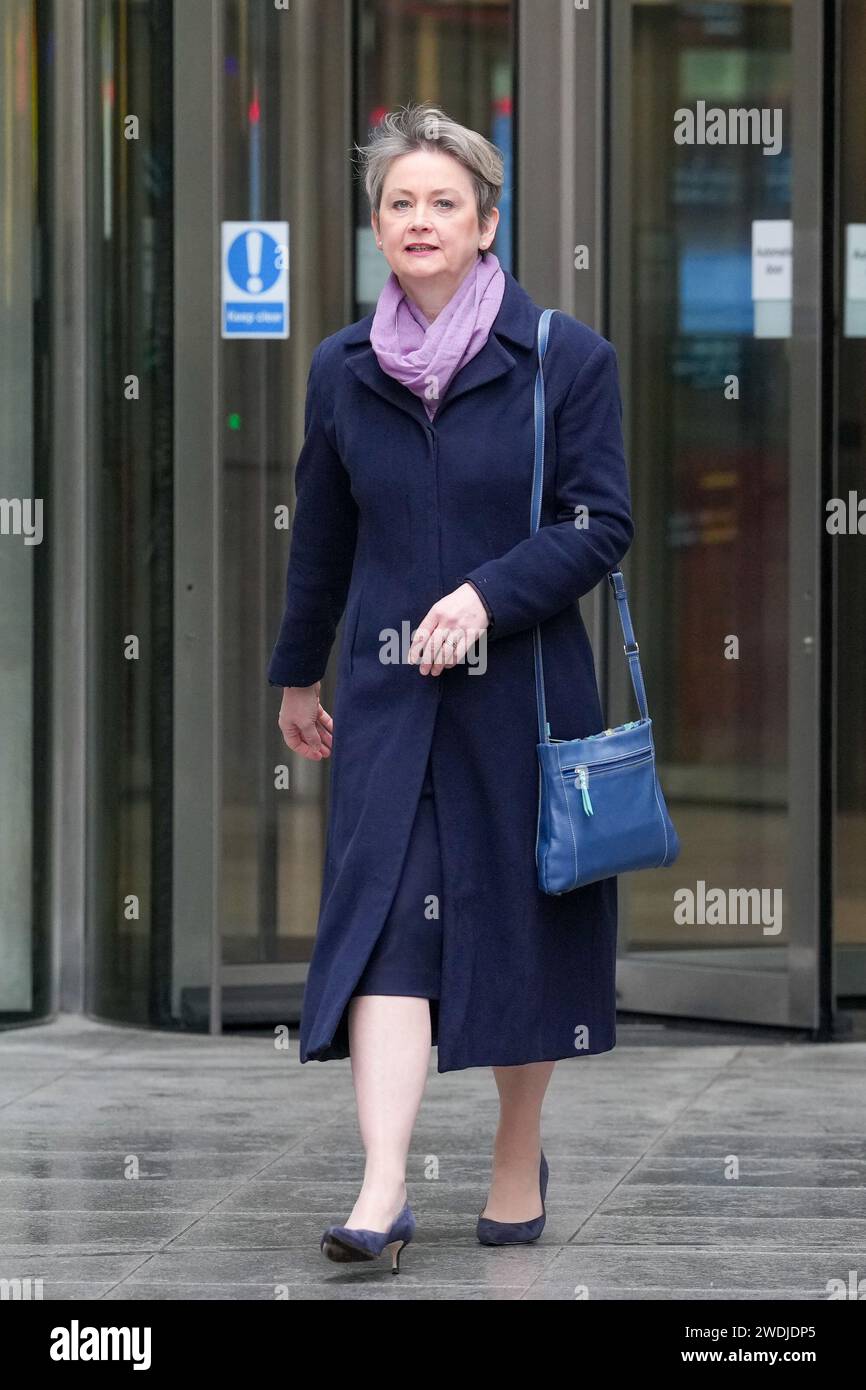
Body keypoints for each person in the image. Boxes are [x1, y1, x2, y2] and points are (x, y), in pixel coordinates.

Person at [267, 102, 634, 1272]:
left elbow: (600, 524)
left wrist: (487, 594)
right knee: (382, 928)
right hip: (384, 704)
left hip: (519, 699)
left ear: (486, 222)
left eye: (442, 202)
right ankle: (380, 1186)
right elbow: (319, 538)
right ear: (374, 228)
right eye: (397, 203)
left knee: (518, 933)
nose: (418, 220)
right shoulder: (342, 368)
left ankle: (515, 1150)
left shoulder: (564, 358)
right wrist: (294, 672)